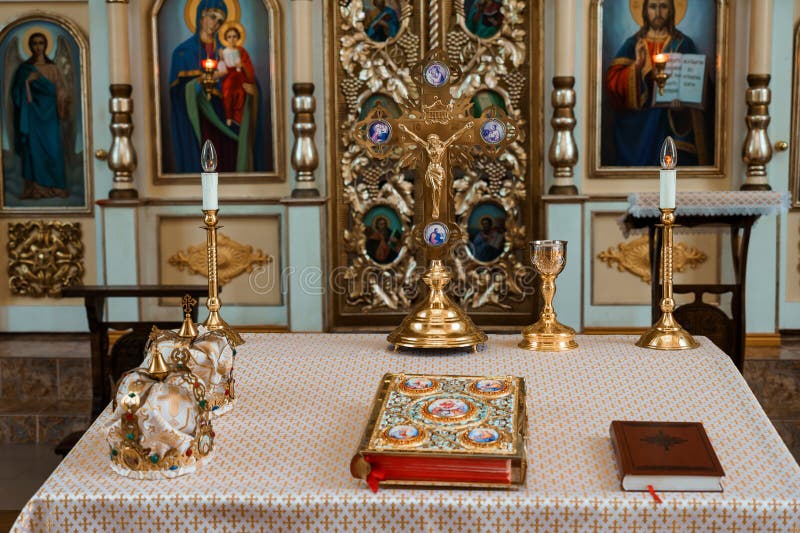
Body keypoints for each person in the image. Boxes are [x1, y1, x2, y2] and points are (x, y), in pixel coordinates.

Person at [604, 0, 708, 166]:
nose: (658, 12)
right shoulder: (633, 44)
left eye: (663, 6)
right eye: (653, 6)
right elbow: (612, 85)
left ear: (671, 10)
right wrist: (636, 67)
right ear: (645, 10)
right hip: (640, 123)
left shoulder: (684, 44)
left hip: (673, 124)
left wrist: (683, 107)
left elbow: (699, 87)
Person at [168, 0, 262, 173]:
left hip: (226, 119)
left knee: (228, 164)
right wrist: (197, 84)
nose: (215, 24)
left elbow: (245, 79)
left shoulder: (229, 52)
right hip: (200, 122)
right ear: (200, 17)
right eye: (212, 18)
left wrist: (251, 91)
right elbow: (176, 96)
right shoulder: (183, 53)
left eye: (220, 21)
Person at [11, 32, 69, 199]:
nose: (38, 47)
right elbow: (17, 94)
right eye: (35, 43)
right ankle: (35, 189)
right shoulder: (24, 69)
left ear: (46, 45)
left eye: (41, 43)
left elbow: (61, 89)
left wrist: (62, 96)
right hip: (32, 116)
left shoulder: (53, 68)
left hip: (50, 114)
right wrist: (27, 82)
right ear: (30, 46)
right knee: (34, 150)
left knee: (53, 149)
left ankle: (56, 187)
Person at [217, 23, 255, 129]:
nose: (232, 39)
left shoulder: (241, 51)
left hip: (240, 78)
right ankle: (229, 117)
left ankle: (238, 120)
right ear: (226, 39)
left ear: (238, 38)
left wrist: (242, 65)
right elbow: (222, 69)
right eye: (229, 37)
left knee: (241, 95)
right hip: (229, 77)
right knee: (227, 93)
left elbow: (247, 68)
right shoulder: (223, 52)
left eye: (234, 36)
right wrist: (221, 59)